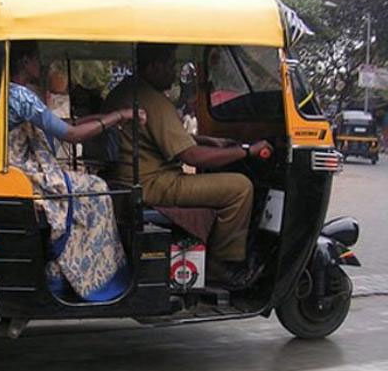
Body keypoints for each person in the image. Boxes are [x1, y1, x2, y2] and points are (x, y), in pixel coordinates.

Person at [103, 43, 272, 290]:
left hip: (129, 178)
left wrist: (209, 141)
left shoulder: (125, 91)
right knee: (240, 187)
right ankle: (220, 264)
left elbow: (161, 140)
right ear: (154, 67)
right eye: (171, 65)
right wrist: (246, 151)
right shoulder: (151, 100)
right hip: (154, 184)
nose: (174, 73)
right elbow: (192, 157)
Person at [7, 41, 144, 301]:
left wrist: (114, 116)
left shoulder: (8, 93)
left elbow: (63, 124)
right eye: (37, 59)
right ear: (25, 61)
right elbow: (71, 135)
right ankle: (93, 277)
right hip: (28, 175)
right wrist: (117, 117)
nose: (42, 66)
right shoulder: (20, 96)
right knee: (96, 188)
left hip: (17, 172)